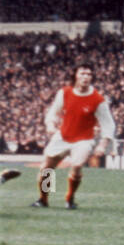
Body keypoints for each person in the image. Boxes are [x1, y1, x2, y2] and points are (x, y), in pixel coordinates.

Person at [32, 66, 115, 210]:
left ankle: (69, 198)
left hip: (84, 139)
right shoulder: (64, 92)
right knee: (47, 169)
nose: (86, 76)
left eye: (89, 73)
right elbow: (53, 111)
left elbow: (108, 123)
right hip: (63, 136)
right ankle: (43, 200)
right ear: (76, 75)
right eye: (82, 73)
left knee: (76, 165)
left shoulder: (98, 99)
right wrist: (50, 124)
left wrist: (103, 144)